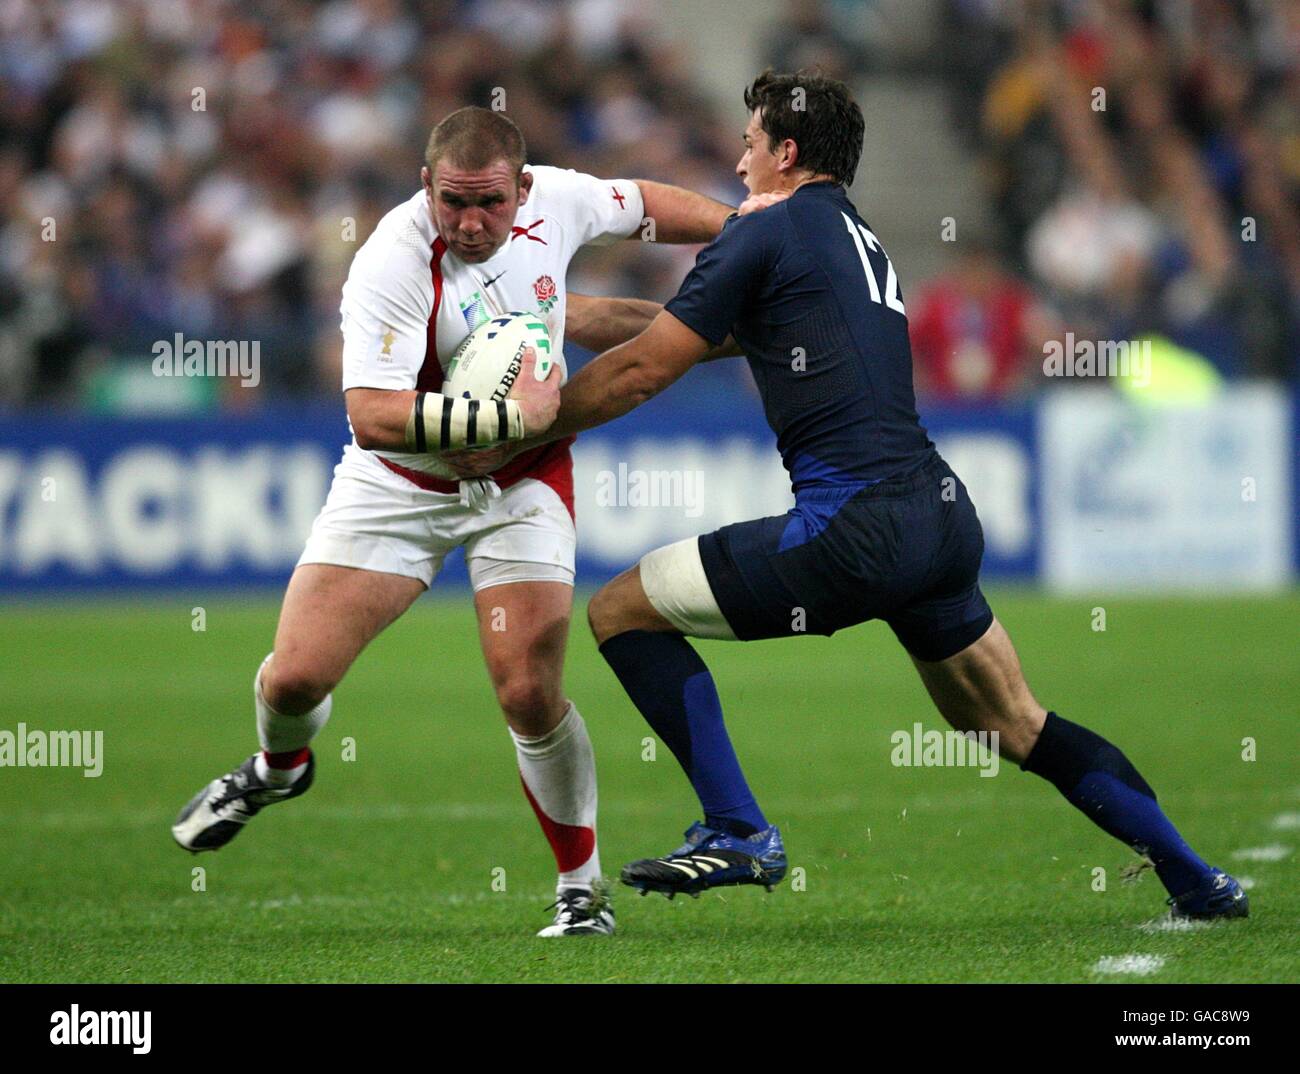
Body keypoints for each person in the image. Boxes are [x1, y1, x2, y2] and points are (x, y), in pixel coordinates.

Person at [514, 71, 1249, 921]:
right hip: (938, 515)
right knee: (1013, 723)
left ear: (786, 152)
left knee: (620, 612)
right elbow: (678, 331)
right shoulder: (847, 238)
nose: (740, 163)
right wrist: (549, 310)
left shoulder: (764, 231)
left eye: (750, 146)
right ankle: (1199, 880)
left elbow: (644, 369)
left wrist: (522, 429)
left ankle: (739, 828)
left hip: (852, 529)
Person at [172, 105, 739, 937]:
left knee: (528, 689)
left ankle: (581, 892)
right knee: (293, 681)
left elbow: (646, 204)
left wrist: (746, 228)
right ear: (425, 186)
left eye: (490, 203)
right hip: (399, 486)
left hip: (523, 484)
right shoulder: (390, 261)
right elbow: (371, 415)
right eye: (454, 202)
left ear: (524, 189)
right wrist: (503, 420)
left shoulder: (561, 200)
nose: (472, 222)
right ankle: (279, 767)